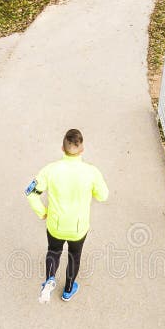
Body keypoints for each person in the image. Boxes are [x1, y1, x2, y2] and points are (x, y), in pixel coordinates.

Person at [25, 129, 109, 303]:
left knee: (53, 251)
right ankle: (68, 290)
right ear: (82, 149)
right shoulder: (91, 172)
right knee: (74, 256)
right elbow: (103, 196)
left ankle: (49, 279)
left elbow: (31, 193)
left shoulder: (50, 170)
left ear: (62, 148)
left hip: (55, 224)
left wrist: (42, 212)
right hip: (78, 227)